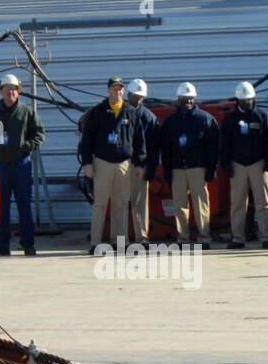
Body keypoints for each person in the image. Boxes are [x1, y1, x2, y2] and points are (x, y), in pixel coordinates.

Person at [0, 73, 45, 256]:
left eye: (14, 90)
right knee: (2, 207)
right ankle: (2, 244)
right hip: (0, 166)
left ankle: (28, 244)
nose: (10, 93)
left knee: (24, 205)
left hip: (20, 165)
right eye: (7, 90)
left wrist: (27, 147)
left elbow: (39, 133)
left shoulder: (26, 112)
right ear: (1, 92)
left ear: (18, 92)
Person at [79, 76, 146, 253]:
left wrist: (139, 163)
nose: (117, 91)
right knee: (100, 203)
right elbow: (87, 139)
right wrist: (87, 163)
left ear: (123, 91)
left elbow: (139, 140)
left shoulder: (130, 112)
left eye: (120, 88)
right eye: (114, 88)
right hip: (102, 162)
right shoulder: (97, 112)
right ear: (108, 90)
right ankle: (95, 243)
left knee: (121, 204)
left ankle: (119, 242)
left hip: (124, 164)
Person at [161, 82, 220, 248]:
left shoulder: (205, 119)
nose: (187, 102)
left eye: (190, 99)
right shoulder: (170, 122)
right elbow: (165, 148)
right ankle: (183, 237)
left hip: (198, 168)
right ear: (178, 100)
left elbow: (213, 147)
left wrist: (211, 168)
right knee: (180, 205)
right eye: (184, 99)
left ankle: (204, 237)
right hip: (177, 168)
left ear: (195, 99)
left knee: (201, 204)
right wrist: (167, 169)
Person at [220, 81, 268, 249]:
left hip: (259, 164)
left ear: (253, 99)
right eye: (243, 100)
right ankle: (237, 238)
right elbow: (224, 144)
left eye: (249, 99)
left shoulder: (263, 116)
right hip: (237, 165)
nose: (247, 103)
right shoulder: (230, 120)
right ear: (238, 100)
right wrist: (226, 164)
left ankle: (266, 237)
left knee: (263, 202)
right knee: (237, 203)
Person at [124, 78, 157, 243]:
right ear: (128, 94)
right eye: (135, 96)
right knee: (120, 202)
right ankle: (119, 238)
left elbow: (154, 145)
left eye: (140, 96)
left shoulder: (149, 118)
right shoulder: (118, 113)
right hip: (120, 164)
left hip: (140, 165)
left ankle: (141, 237)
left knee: (139, 203)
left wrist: (150, 166)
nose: (137, 99)